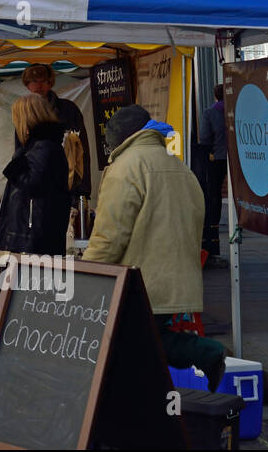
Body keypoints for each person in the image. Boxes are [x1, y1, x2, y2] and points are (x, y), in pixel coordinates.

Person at [83, 105, 227, 390]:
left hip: (141, 276)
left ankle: (205, 353)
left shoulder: (125, 167)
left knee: (132, 340)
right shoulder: (176, 165)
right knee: (143, 339)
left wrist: (88, 271)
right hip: (173, 275)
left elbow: (110, 234)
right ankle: (153, 404)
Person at [0, 95, 71, 255]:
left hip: (32, 238)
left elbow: (31, 184)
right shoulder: (43, 145)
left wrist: (17, 158)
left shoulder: (44, 147)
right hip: (33, 234)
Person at [21, 64, 91, 202]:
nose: (39, 85)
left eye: (44, 81)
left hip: (67, 185)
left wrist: (82, 189)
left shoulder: (69, 110)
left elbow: (81, 151)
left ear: (50, 83)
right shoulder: (24, 113)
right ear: (27, 85)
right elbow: (20, 152)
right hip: (37, 189)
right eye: (34, 81)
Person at [198, 84, 228, 268]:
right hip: (235, 156)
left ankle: (214, 224)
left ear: (215, 96)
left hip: (216, 157)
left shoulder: (210, 112)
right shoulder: (235, 110)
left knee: (214, 193)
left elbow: (204, 136)